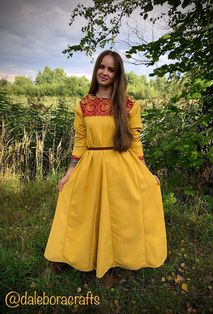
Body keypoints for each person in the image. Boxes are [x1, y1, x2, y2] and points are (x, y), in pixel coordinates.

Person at [44, 50, 167, 288]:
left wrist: (147, 171)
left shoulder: (129, 105)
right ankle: (65, 254)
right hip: (91, 164)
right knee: (77, 206)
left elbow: (135, 142)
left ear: (117, 74)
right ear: (96, 69)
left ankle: (109, 263)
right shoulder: (84, 105)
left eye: (111, 69)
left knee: (116, 216)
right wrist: (68, 173)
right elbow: (80, 141)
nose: (105, 72)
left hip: (120, 165)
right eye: (102, 66)